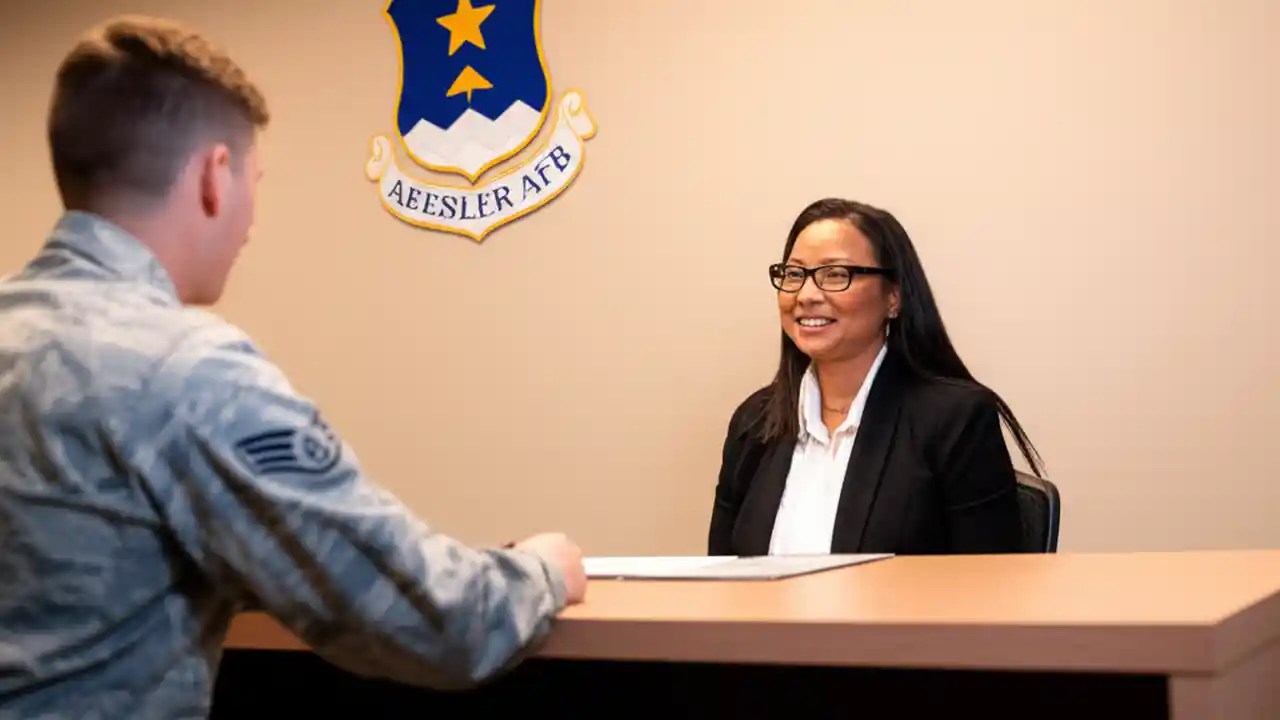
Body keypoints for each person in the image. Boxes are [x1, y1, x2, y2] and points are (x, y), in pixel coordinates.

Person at [0, 15, 587, 717]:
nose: (249, 219)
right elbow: (431, 620)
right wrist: (544, 568)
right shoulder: (186, 372)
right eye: (255, 178)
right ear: (216, 177)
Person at [708, 198, 1044, 557]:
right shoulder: (754, 422)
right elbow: (724, 579)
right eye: (794, 274)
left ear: (893, 297)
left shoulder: (954, 419)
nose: (806, 295)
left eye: (835, 274)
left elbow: (991, 587)